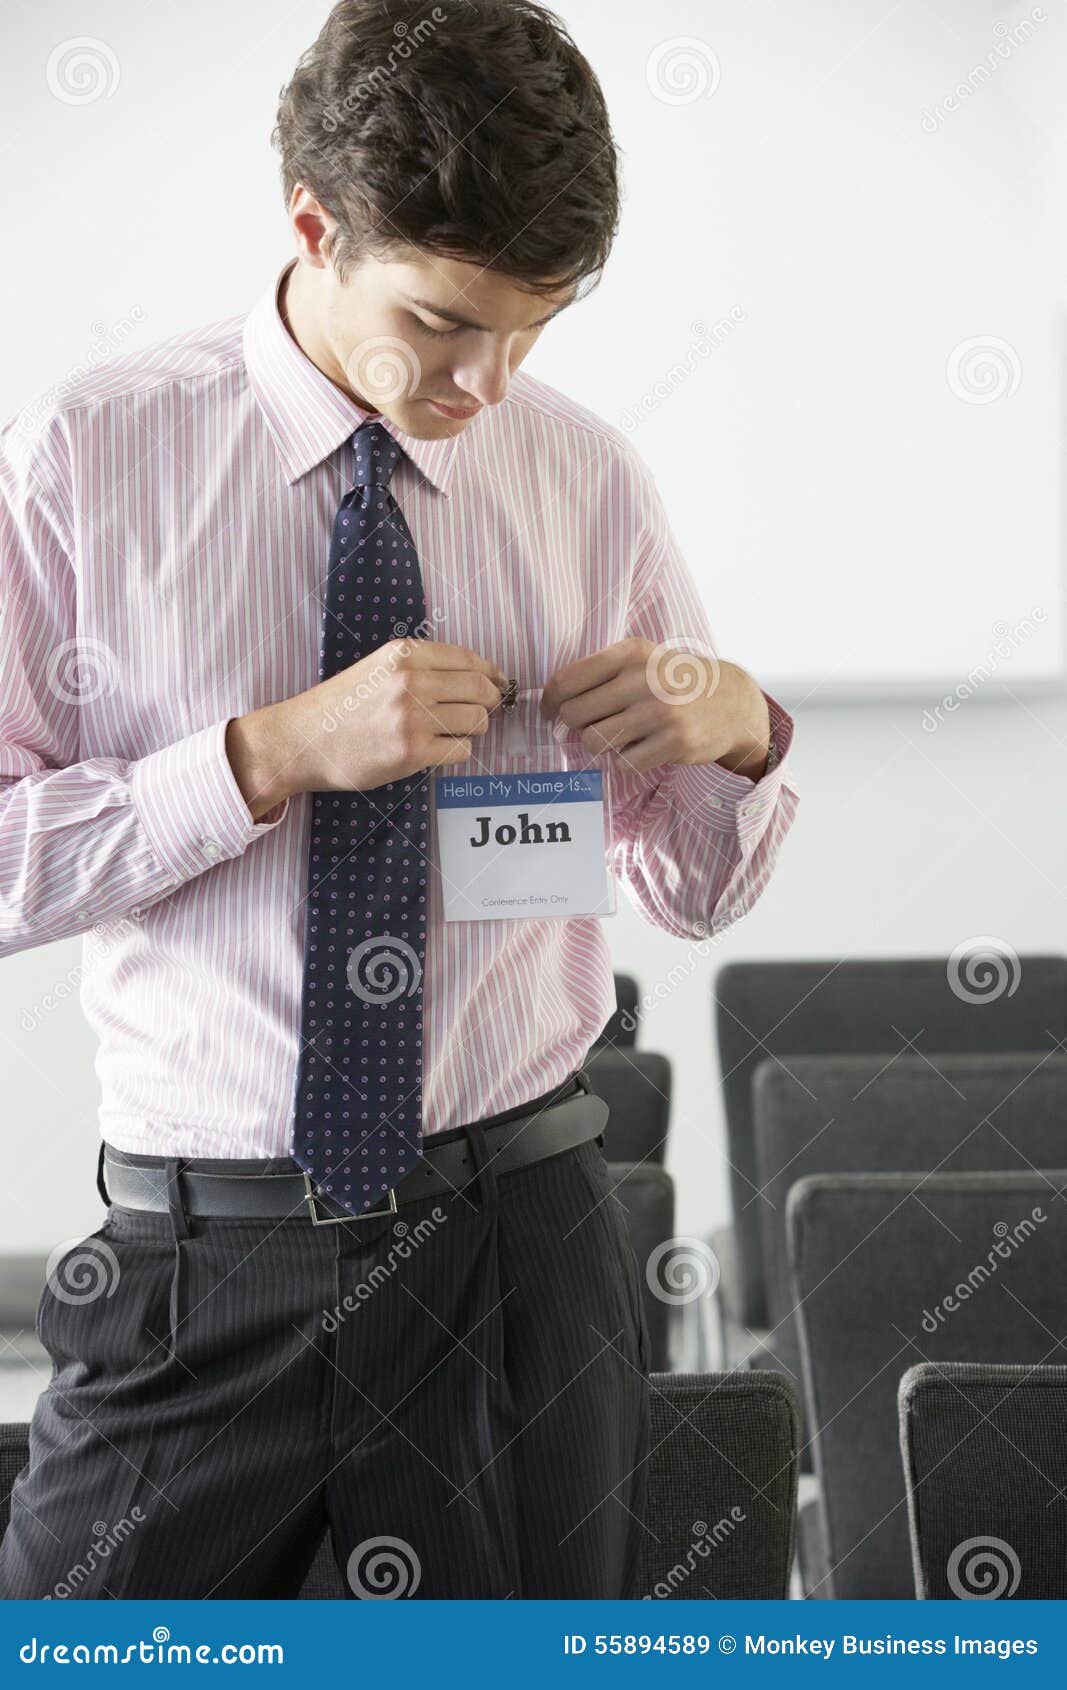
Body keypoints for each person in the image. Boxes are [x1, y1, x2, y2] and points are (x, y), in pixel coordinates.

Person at [0, 0, 799, 1600]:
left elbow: (693, 893)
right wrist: (260, 759)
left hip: (515, 1250)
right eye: (442, 322)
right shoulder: (89, 458)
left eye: (537, 326)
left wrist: (739, 730)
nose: (487, 382)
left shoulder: (586, 478)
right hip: (204, 1266)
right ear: (313, 225)